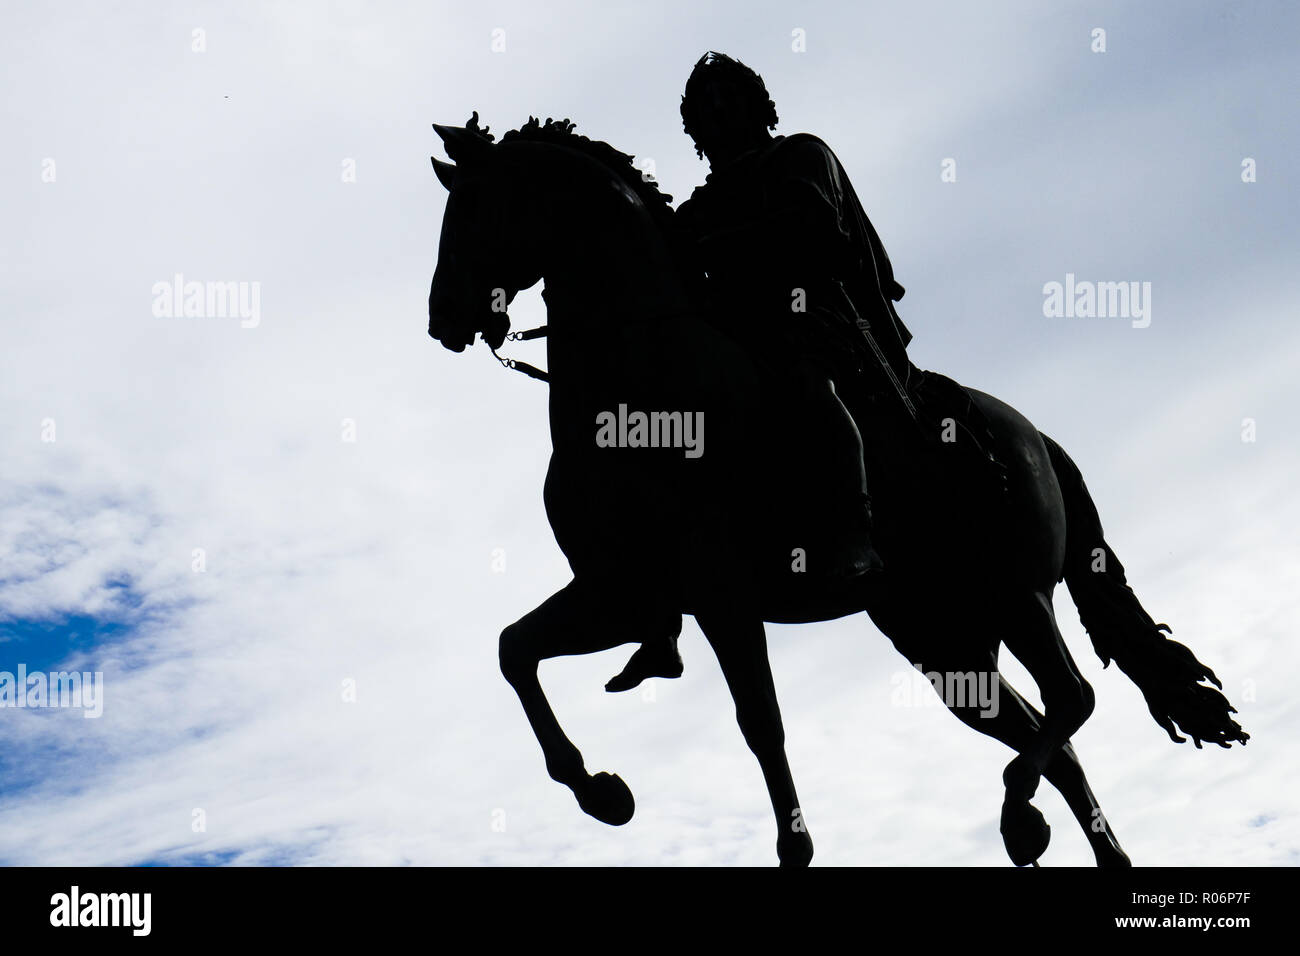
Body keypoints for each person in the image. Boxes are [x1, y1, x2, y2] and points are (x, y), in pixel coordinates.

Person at [605, 52, 1002, 693]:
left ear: (756, 105)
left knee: (803, 384)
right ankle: (659, 611)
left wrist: (717, 248)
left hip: (815, 319)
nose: (716, 112)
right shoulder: (700, 206)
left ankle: (854, 529)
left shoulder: (799, 155)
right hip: (739, 335)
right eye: (702, 107)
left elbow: (811, 226)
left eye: (727, 97)